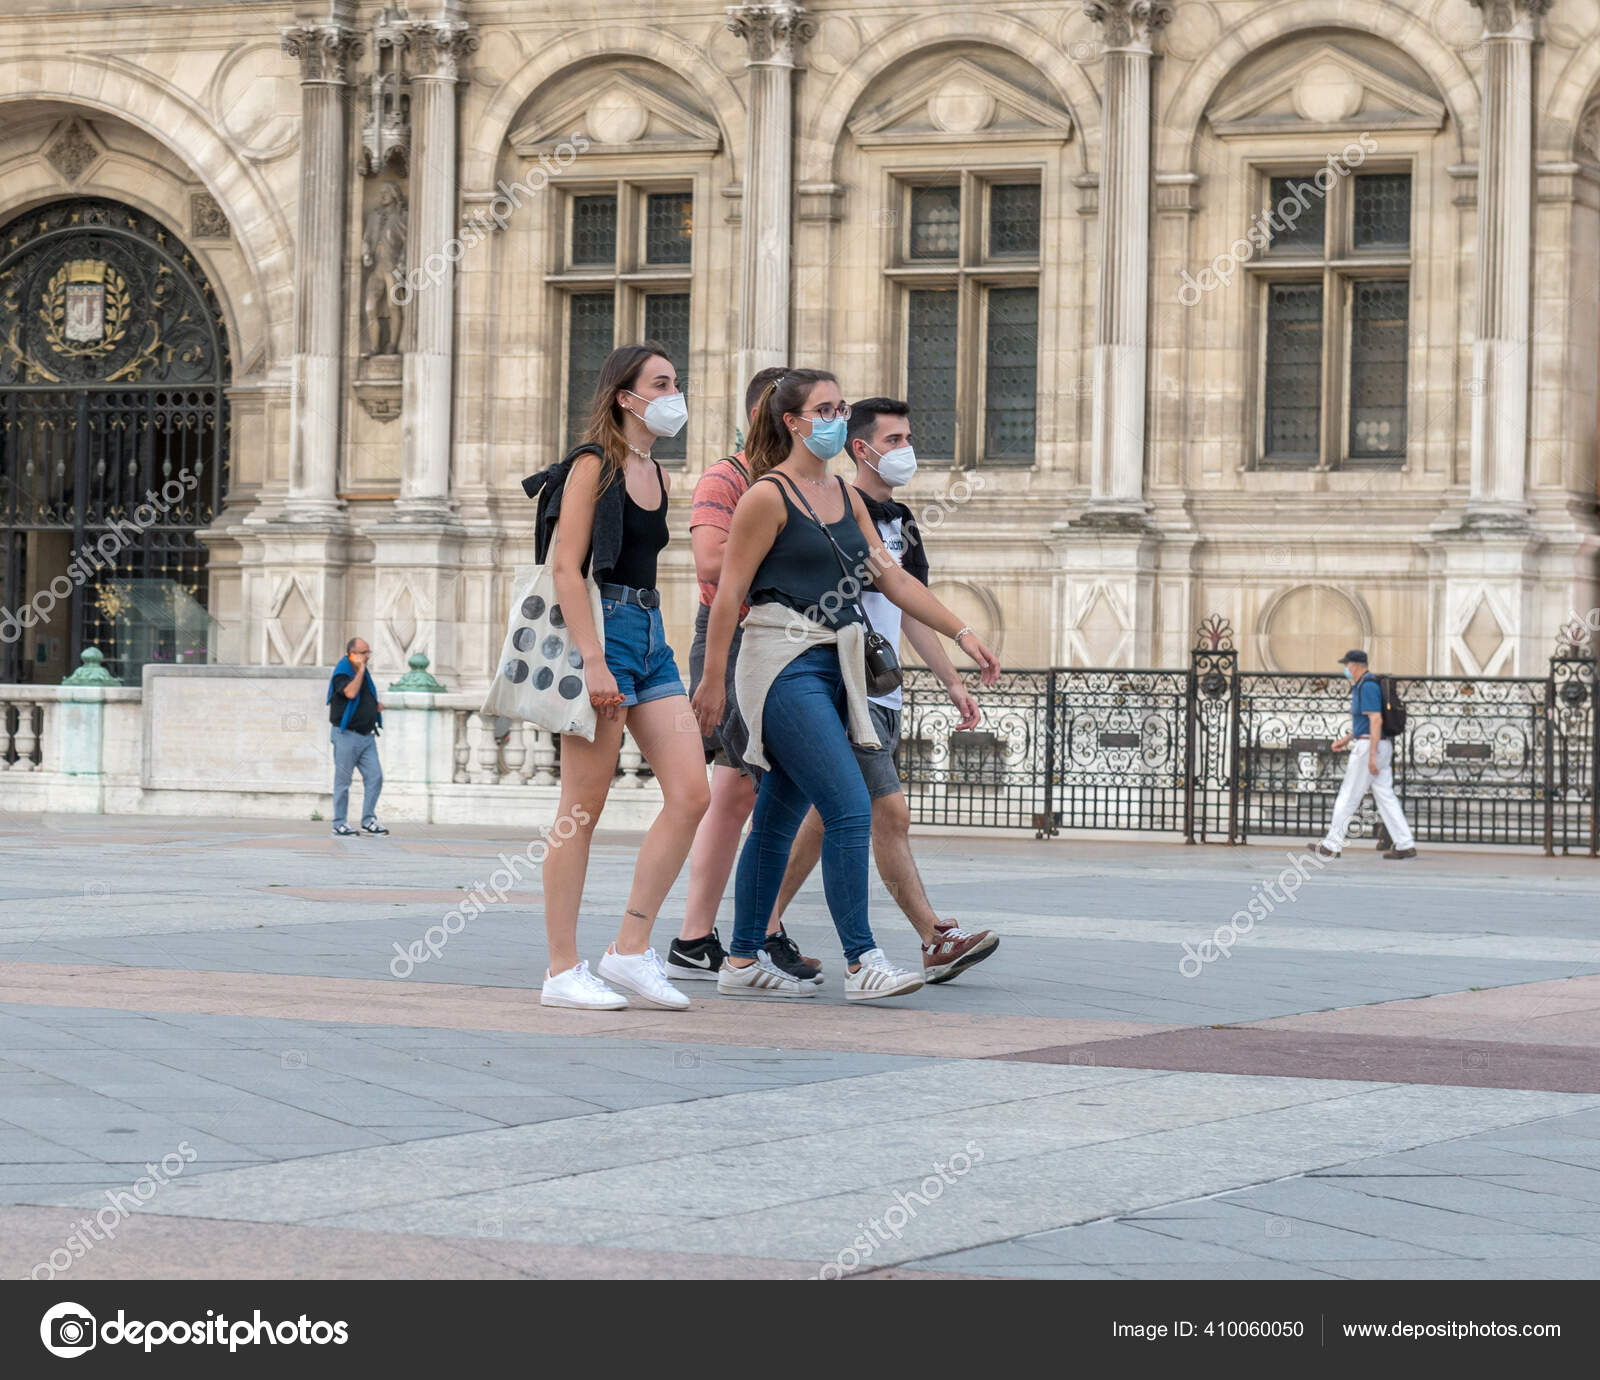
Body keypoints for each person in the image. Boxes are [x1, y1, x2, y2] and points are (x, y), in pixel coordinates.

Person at [693, 369, 1000, 1001]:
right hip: (780, 662)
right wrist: (713, 683)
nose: (836, 418)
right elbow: (727, 598)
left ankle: (742, 958)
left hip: (838, 663)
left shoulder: (843, 495)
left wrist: (964, 633)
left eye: (841, 407)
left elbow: (893, 579)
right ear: (793, 422)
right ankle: (863, 962)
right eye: (824, 408)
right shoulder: (765, 497)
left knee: (777, 816)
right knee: (849, 807)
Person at [767, 398, 998, 983]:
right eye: (894, 440)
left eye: (908, 437)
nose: (906, 450)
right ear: (861, 448)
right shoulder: (840, 510)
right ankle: (932, 936)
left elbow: (908, 605)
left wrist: (950, 678)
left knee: (826, 817)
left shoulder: (904, 519)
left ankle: (760, 928)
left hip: (884, 689)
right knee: (888, 812)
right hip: (846, 686)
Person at [524, 342, 711, 1010]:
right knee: (581, 809)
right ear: (625, 396)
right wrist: (594, 661)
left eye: (675, 382)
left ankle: (629, 951)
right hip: (598, 635)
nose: (674, 394)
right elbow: (566, 567)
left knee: (693, 793)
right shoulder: (592, 466)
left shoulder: (654, 471)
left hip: (650, 635)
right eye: (661, 384)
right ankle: (560, 969)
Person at [667, 365, 822, 987]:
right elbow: (708, 559)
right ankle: (703, 935)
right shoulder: (728, 477)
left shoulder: (807, 481)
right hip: (735, 638)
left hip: (794, 642)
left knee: (778, 791)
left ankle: (746, 929)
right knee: (735, 790)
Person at [1314, 649, 1418, 860]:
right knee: (1385, 796)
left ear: (1356, 665)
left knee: (1349, 795)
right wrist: (1345, 739)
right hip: (1376, 744)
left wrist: (1371, 756)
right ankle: (1405, 843)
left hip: (1370, 746)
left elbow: (1375, 721)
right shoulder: (1365, 685)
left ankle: (1332, 844)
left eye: (1348, 665)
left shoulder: (1367, 686)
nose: (1346, 669)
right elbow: (1364, 723)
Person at [326, 637, 387, 837]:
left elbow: (364, 696)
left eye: (368, 652)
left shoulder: (363, 672)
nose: (367, 656)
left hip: (366, 736)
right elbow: (350, 693)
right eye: (363, 652)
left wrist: (374, 707)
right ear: (351, 653)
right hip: (346, 735)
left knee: (375, 777)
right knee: (343, 781)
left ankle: (368, 820)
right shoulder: (342, 672)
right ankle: (339, 823)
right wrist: (360, 670)